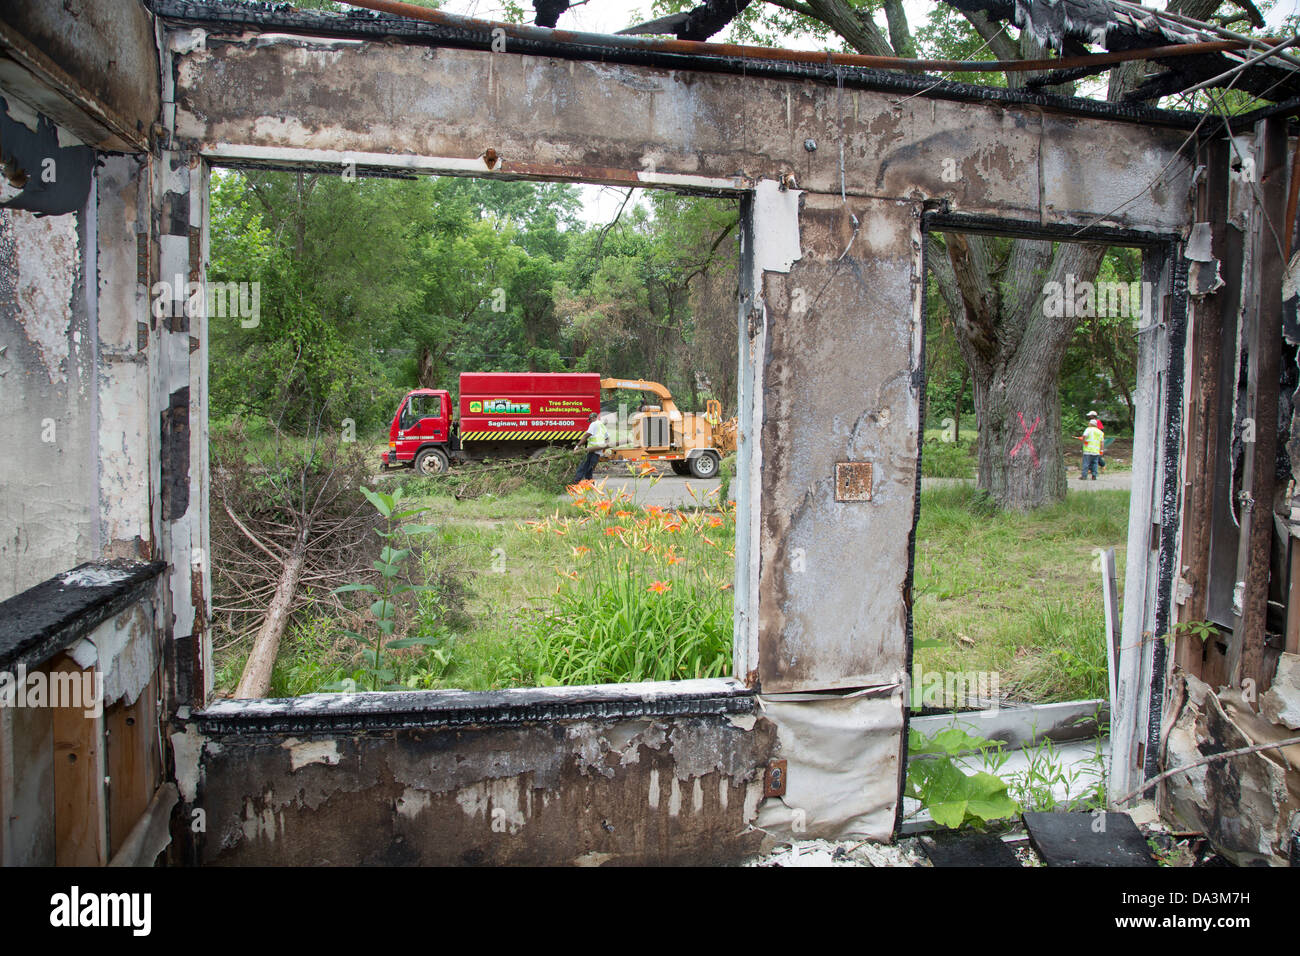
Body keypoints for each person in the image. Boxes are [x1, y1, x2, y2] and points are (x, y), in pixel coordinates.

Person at [573, 411, 609, 484]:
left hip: (592, 449)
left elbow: (587, 435)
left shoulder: (594, 424)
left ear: (592, 418)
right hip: (598, 450)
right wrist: (603, 449)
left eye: (590, 420)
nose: (590, 422)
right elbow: (607, 438)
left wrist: (577, 446)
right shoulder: (602, 425)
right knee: (590, 467)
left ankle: (575, 482)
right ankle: (590, 483)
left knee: (583, 466)